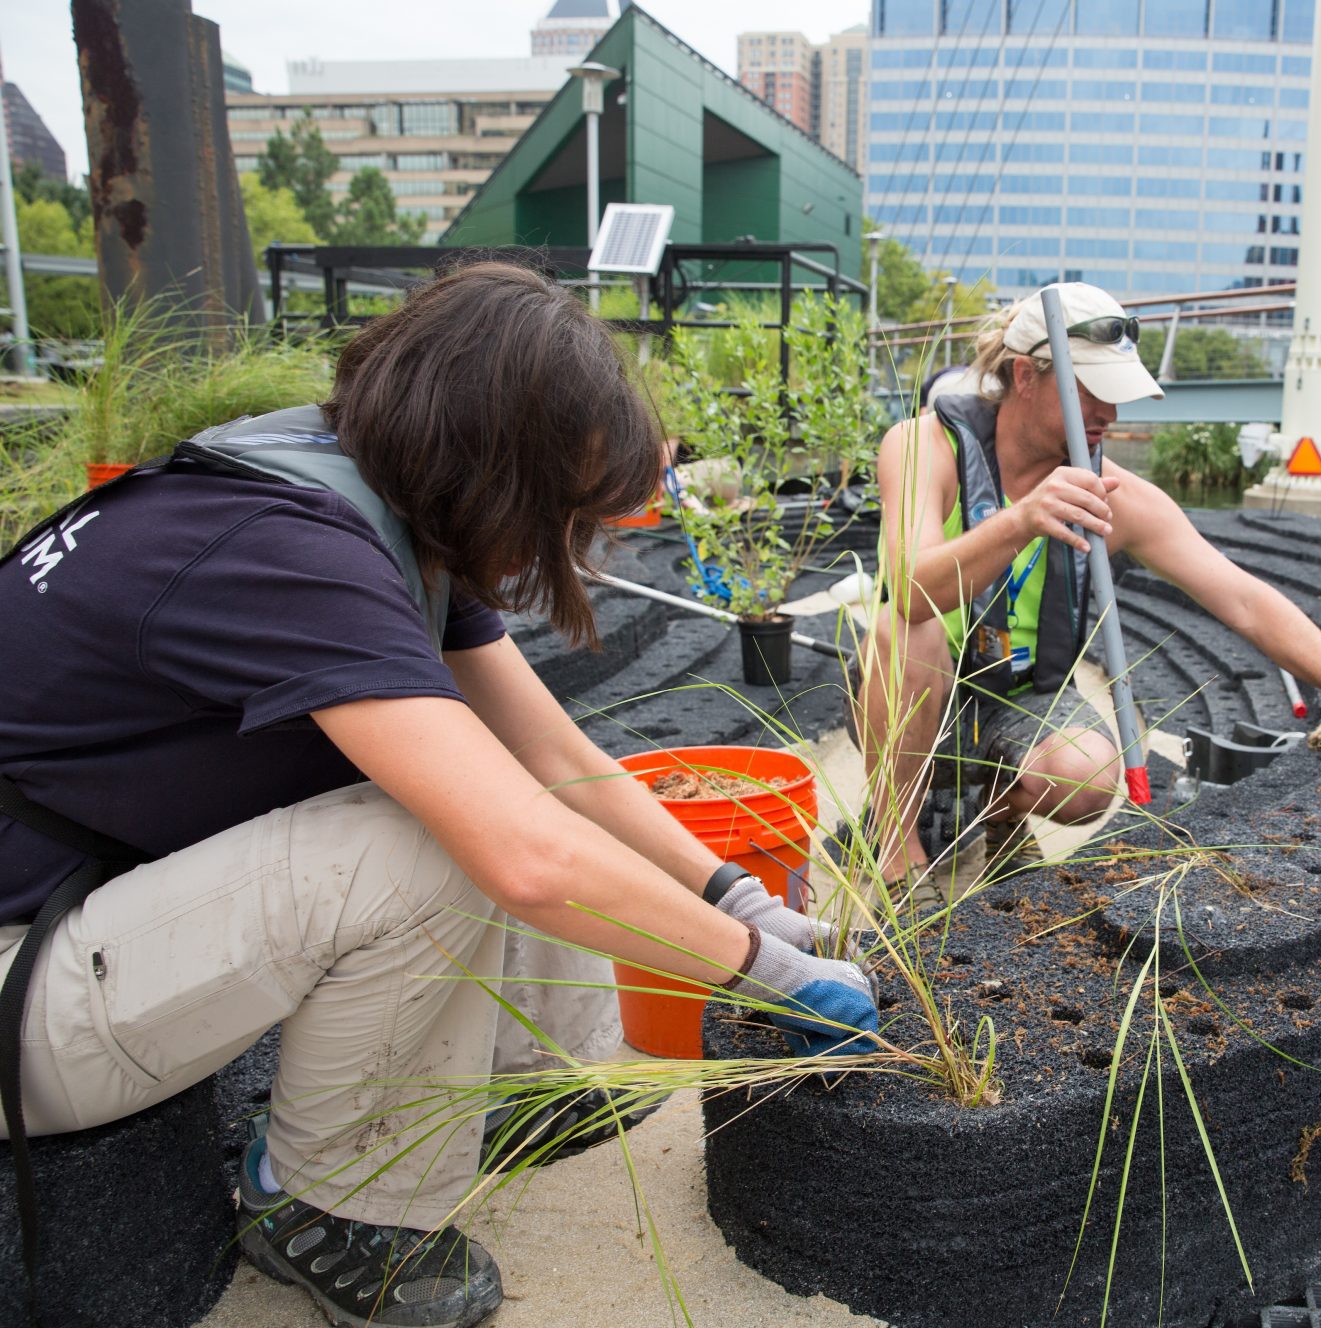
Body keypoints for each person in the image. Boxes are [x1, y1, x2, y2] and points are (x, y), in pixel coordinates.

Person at [0, 262, 877, 1328]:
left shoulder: (359, 494)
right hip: (21, 989)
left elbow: (560, 760)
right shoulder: (288, 552)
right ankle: (323, 1208)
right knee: (428, 839)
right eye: (563, 508)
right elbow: (523, 854)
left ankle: (512, 1089)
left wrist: (740, 898)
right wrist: (765, 972)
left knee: (481, 779)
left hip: (82, 923)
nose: (569, 547)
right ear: (495, 461)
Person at [855, 282, 1321, 896]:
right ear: (1025, 376)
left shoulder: (1117, 495)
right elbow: (908, 591)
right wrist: (1021, 518)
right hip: (910, 687)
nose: (1110, 417)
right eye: (1092, 392)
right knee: (905, 632)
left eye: (1118, 397)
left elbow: (1242, 598)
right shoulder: (922, 444)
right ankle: (900, 850)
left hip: (1017, 688)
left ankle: (1003, 815)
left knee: (1088, 782)